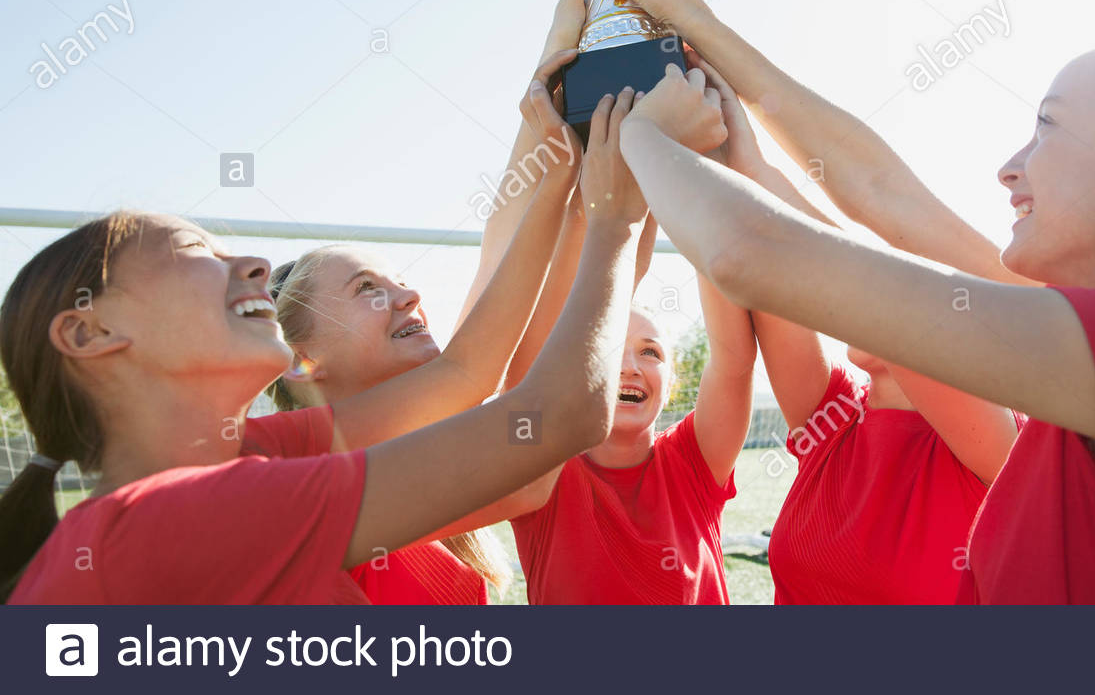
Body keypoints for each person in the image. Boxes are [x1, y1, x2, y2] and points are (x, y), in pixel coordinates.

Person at [603, 0, 1095, 603]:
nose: (1010, 167)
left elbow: (750, 252)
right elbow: (885, 194)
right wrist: (701, 30)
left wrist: (638, 136)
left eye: (1048, 124)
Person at [0, 81, 650, 603]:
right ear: (90, 330)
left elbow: (465, 372)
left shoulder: (248, 454)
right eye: (195, 250)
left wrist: (561, 173)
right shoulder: (172, 515)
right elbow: (559, 415)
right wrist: (614, 221)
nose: (255, 264)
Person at [261, 0, 597, 605]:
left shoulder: (428, 435)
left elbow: (500, 245)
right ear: (301, 360)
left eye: (400, 282)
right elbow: (532, 470)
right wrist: (604, 218)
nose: (410, 297)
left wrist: (553, 67)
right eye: (366, 289)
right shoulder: (303, 479)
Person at [692, 59, 1019, 603]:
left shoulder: (996, 443)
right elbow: (766, 259)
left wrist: (750, 166)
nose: (870, 287)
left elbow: (885, 301)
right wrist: (720, 151)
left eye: (912, 275)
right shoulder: (834, 419)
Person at [461, 51, 752, 603]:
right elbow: (541, 354)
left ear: (672, 380)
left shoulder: (693, 463)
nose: (631, 365)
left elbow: (734, 358)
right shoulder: (549, 466)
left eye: (651, 352)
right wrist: (597, 177)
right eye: (613, 348)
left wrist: (689, 166)